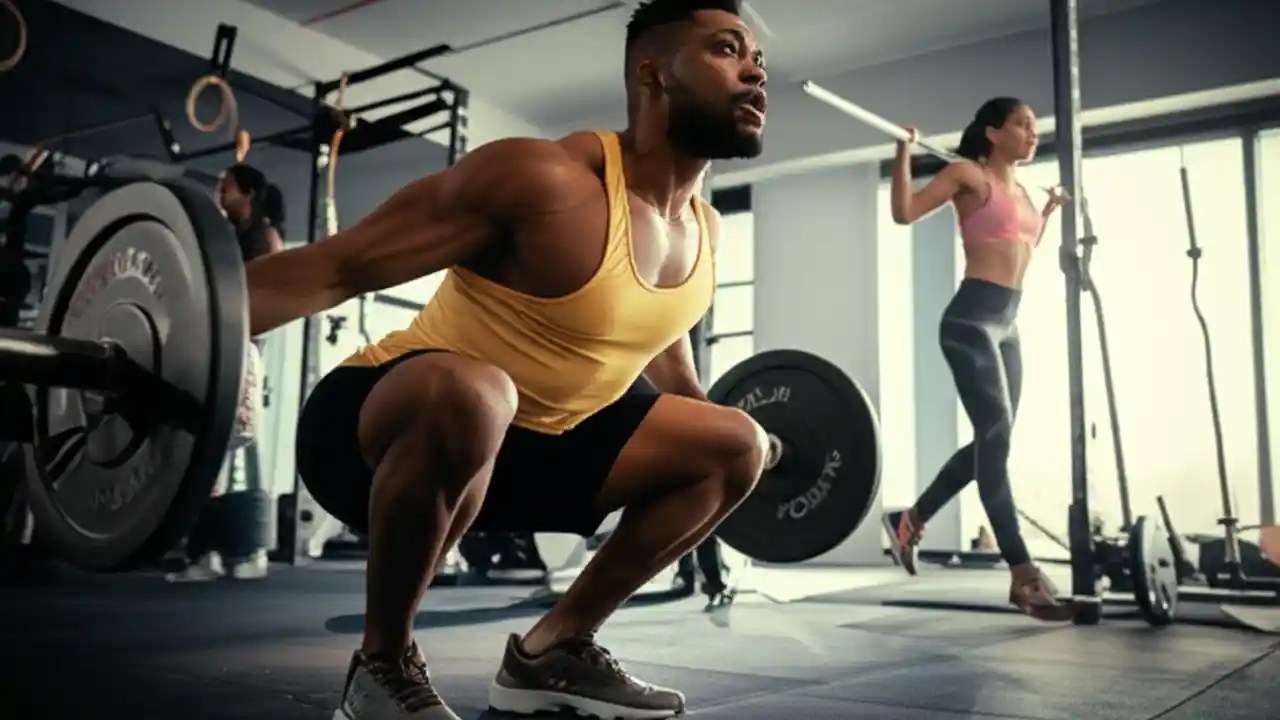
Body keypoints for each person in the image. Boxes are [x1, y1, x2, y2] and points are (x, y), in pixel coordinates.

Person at [246, 1, 769, 718]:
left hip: (532, 450)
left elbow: (663, 356)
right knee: (477, 389)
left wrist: (740, 475)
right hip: (377, 431)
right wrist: (195, 330)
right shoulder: (548, 181)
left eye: (757, 58)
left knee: (737, 443)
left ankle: (556, 650)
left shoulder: (703, 234)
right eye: (727, 49)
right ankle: (381, 664)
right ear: (655, 75)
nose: (754, 70)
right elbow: (341, 267)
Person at [881, 97, 1072, 621]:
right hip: (970, 322)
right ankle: (1022, 573)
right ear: (993, 132)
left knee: (994, 440)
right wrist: (902, 152)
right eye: (1022, 125)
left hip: (1008, 325)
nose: (1033, 134)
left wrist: (1049, 212)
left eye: (1034, 127)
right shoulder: (967, 173)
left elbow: (1020, 246)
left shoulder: (1027, 194)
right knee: (998, 435)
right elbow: (905, 212)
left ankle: (909, 519)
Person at [166, 163, 288, 584]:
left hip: (245, 356)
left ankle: (249, 551)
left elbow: (262, 305)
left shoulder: (264, 238)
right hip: (224, 351)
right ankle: (208, 555)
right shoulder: (234, 237)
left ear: (248, 193)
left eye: (227, 187)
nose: (220, 193)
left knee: (241, 453)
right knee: (211, 453)